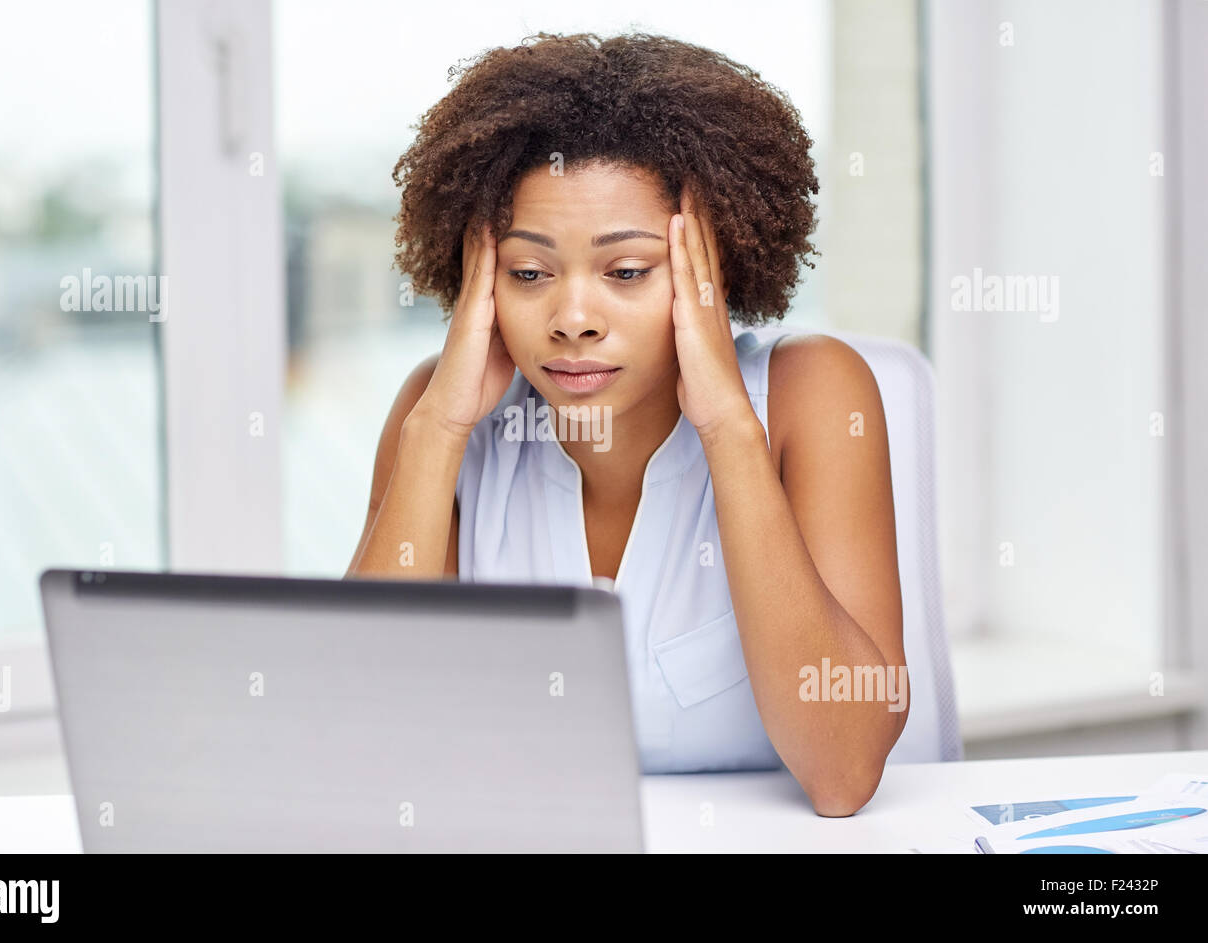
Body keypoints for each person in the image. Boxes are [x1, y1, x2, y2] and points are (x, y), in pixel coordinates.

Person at [348, 32, 905, 816]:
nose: (573, 318)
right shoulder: (440, 417)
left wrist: (726, 428)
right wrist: (437, 428)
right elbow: (357, 744)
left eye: (627, 272)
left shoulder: (814, 394)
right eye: (530, 273)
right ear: (481, 279)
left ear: (713, 268)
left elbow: (843, 775)